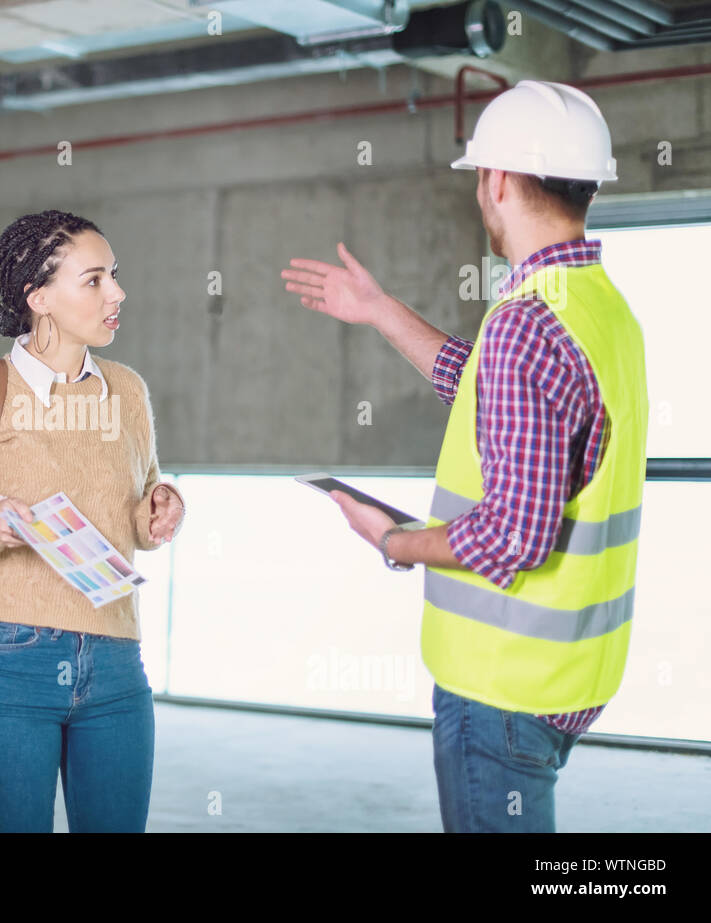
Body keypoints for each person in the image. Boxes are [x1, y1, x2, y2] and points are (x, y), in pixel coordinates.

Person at [280, 80, 647, 832]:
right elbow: (490, 391)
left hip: (502, 687)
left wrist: (393, 539)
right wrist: (380, 310)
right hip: (569, 675)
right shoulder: (599, 309)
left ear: (498, 180)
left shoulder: (527, 325)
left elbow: (513, 537)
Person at [0, 210, 185, 832]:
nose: (118, 293)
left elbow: (138, 508)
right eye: (95, 279)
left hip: (116, 660)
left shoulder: (127, 391)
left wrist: (161, 509)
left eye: (115, 276)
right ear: (39, 298)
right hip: (11, 657)